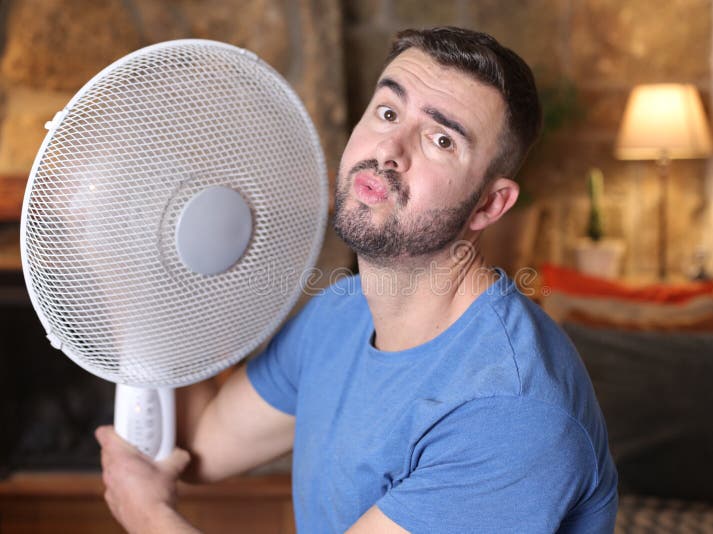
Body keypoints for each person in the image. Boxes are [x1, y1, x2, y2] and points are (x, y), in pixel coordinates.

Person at [96, 26, 618, 533]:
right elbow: (203, 444)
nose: (390, 147)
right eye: (388, 111)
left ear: (489, 203)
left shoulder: (508, 412)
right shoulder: (341, 312)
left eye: (440, 139)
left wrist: (148, 517)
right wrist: (134, 267)